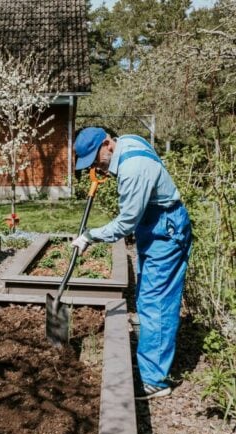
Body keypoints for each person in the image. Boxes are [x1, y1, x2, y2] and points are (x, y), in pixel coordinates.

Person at [72, 127, 192, 400]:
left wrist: (90, 236)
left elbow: (126, 223)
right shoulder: (127, 142)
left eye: (95, 160)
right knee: (147, 294)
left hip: (165, 228)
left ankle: (154, 381)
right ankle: (150, 356)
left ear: (107, 144)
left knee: (156, 302)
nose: (96, 167)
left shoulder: (133, 169)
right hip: (155, 224)